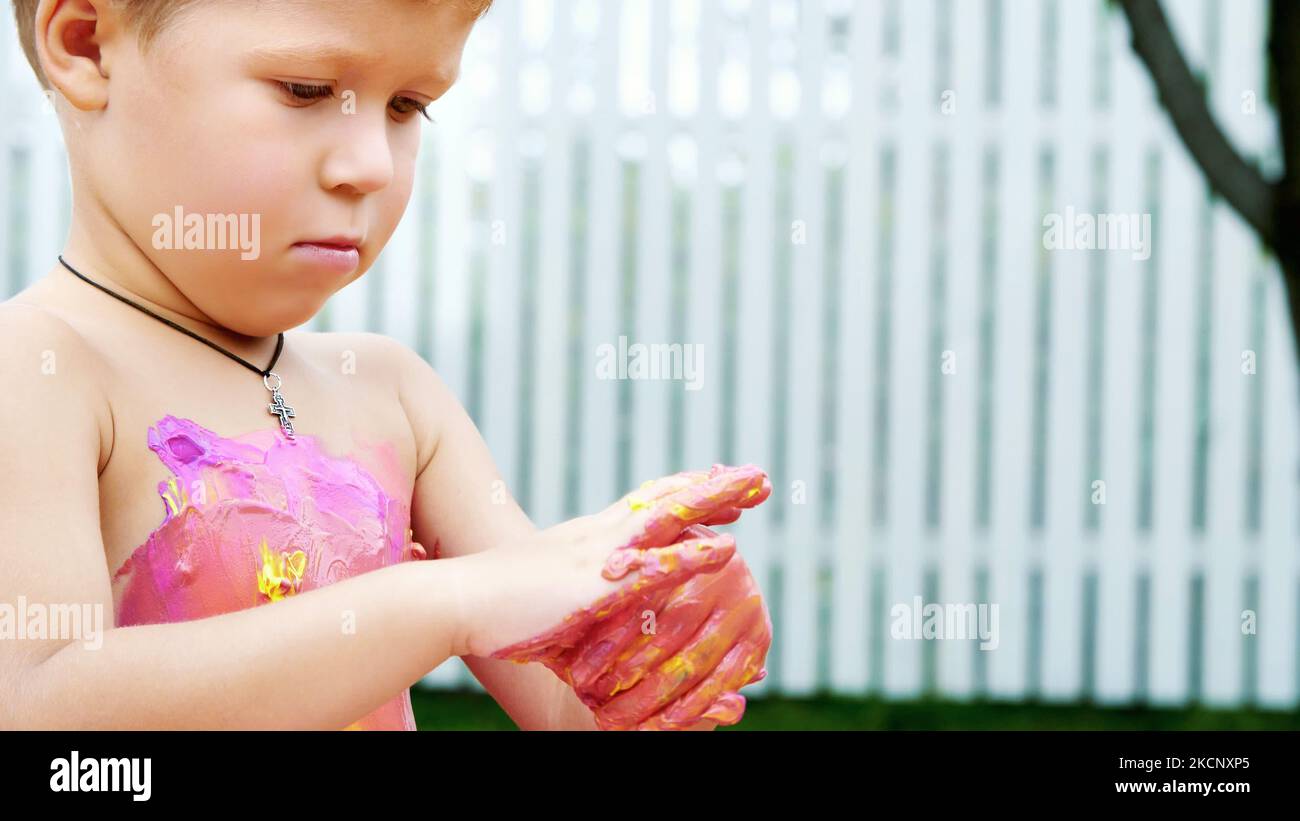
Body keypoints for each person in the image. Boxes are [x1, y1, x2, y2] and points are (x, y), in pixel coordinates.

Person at [0, 0, 772, 731]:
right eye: (306, 90)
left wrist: (659, 630)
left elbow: (574, 707)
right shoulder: (40, 370)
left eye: (408, 106)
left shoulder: (395, 395)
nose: (370, 164)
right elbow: (39, 703)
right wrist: (447, 600)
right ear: (85, 45)